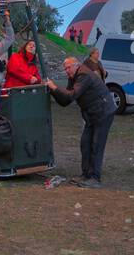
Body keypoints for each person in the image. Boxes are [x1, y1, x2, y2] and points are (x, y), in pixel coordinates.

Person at [47, 57, 116, 187]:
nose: (67, 71)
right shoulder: (74, 76)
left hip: (103, 112)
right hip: (91, 114)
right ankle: (86, 175)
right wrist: (53, 91)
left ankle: (95, 178)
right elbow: (66, 100)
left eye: (68, 67)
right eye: (65, 68)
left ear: (76, 65)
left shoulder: (83, 75)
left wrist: (54, 87)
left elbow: (72, 95)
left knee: (96, 144)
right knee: (85, 143)